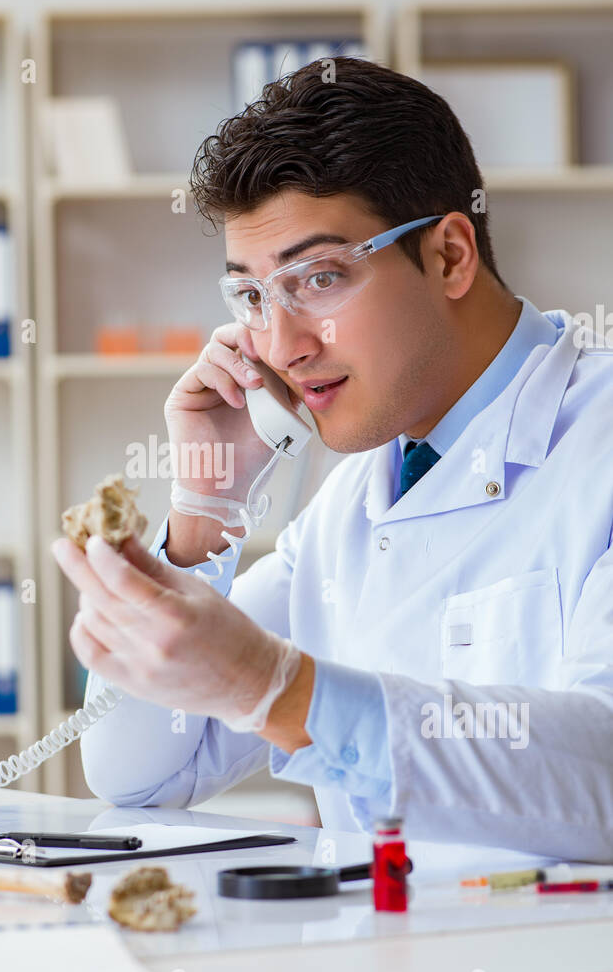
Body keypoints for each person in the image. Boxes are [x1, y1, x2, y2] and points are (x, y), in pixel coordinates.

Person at [50, 57, 613, 862]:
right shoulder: (348, 508)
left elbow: (600, 773)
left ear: (449, 255)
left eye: (317, 278)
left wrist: (280, 691)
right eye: (252, 295)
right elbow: (137, 777)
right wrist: (206, 513)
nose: (280, 345)